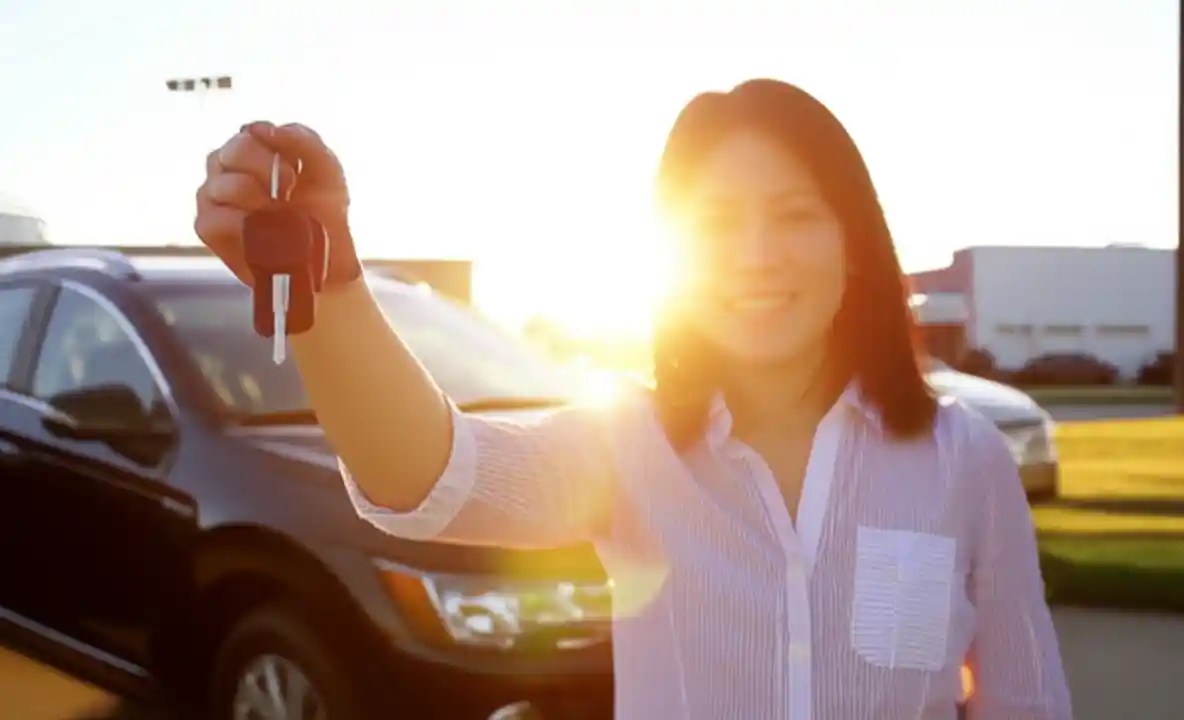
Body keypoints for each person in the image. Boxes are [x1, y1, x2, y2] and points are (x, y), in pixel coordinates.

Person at [195, 78, 1073, 720]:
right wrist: (330, 285)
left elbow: (1026, 701)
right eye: (718, 223)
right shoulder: (626, 446)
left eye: (796, 213)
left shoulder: (966, 461)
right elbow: (423, 479)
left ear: (856, 245)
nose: (756, 253)